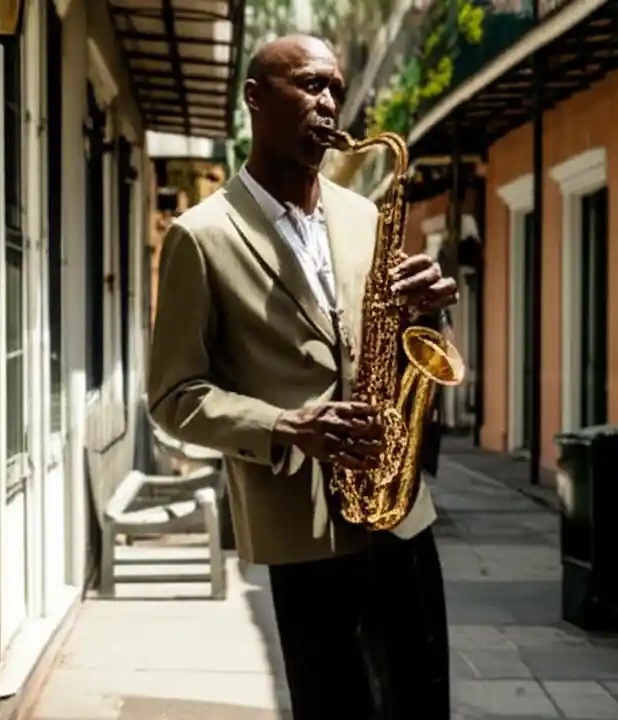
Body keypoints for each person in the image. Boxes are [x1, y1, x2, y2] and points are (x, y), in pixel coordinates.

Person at [147, 35, 459, 720]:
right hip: (303, 527)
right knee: (336, 707)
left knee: (423, 701)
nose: (329, 104)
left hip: (400, 511)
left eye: (336, 90)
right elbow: (173, 397)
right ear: (255, 98)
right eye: (311, 85)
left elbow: (391, 347)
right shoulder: (199, 235)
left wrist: (429, 312)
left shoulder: (364, 215)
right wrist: (285, 425)